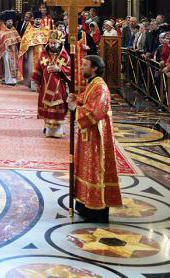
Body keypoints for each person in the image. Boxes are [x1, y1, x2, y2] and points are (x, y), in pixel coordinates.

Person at [67, 55, 122, 222]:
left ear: (95, 68)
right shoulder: (92, 84)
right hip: (87, 135)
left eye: (84, 65)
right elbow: (84, 99)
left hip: (97, 137)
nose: (81, 67)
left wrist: (76, 109)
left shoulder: (101, 87)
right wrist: (74, 99)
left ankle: (96, 208)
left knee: (95, 169)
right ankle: (84, 204)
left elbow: (97, 111)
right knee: (85, 168)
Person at [32, 30, 71, 138]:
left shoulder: (65, 56)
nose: (52, 45)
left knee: (58, 107)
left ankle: (58, 130)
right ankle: (47, 128)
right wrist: (36, 83)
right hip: (45, 86)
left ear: (60, 43)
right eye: (51, 42)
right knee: (46, 108)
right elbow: (38, 68)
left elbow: (70, 70)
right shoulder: (44, 54)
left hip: (59, 87)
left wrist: (59, 69)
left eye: (55, 43)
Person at [18, 17, 49, 89]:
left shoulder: (45, 30)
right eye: (36, 19)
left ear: (41, 20)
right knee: (31, 69)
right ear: (33, 20)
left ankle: (41, 85)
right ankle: (32, 85)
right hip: (31, 52)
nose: (37, 20)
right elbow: (24, 40)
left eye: (39, 19)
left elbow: (47, 41)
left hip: (42, 52)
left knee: (42, 68)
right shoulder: (29, 30)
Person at [0, 14, 21, 85]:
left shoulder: (14, 30)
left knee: (14, 65)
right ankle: (8, 80)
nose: (10, 23)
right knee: (7, 65)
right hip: (6, 51)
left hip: (14, 51)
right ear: (5, 22)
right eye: (9, 21)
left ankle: (14, 80)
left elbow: (18, 40)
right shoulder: (2, 32)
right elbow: (0, 43)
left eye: (11, 21)